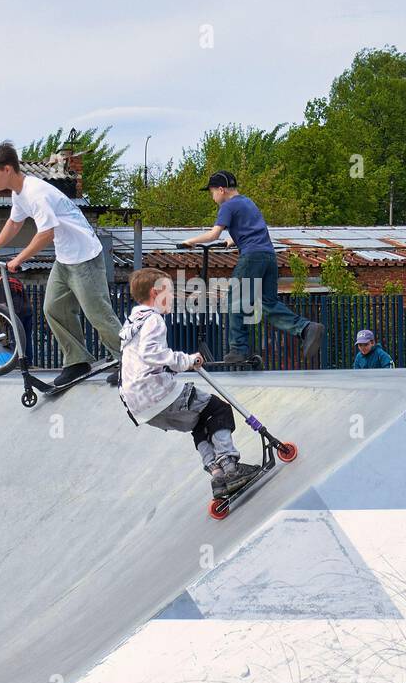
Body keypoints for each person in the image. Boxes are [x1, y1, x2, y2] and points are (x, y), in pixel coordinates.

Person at [0, 141, 122, 388]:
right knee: (54, 308)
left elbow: (46, 233)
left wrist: (19, 259)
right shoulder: (19, 193)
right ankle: (77, 361)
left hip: (85, 256)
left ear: (7, 169)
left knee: (98, 313)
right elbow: (14, 223)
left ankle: (131, 362)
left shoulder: (36, 193)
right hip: (65, 258)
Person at [120, 267, 260, 498]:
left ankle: (217, 475)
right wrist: (187, 360)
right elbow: (151, 353)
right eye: (169, 292)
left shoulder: (132, 322)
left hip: (138, 405)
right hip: (157, 392)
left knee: (199, 421)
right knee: (218, 409)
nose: (173, 297)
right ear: (155, 293)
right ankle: (231, 467)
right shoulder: (154, 319)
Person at [181, 170, 324, 365]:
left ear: (221, 190)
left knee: (234, 301)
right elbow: (252, 229)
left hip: (252, 257)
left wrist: (190, 241)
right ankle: (306, 328)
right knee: (268, 303)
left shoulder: (227, 206)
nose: (212, 196)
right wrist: (232, 240)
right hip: (269, 257)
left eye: (212, 192)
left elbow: (213, 234)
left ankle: (238, 350)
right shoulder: (248, 202)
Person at [0, 268, 34, 365]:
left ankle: (18, 362)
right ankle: (29, 362)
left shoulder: (2, 283)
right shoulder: (15, 280)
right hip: (28, 311)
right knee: (27, 337)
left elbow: (2, 304)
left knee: (16, 338)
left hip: (16, 314)